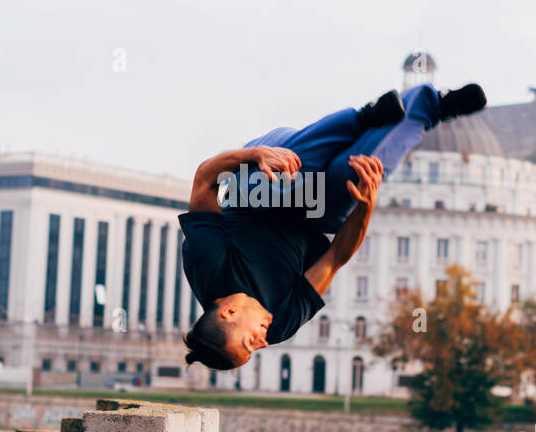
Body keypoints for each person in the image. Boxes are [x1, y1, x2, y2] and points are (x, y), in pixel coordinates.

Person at [178, 80, 487, 370]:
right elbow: (336, 256)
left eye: (248, 343)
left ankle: (362, 117)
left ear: (228, 312)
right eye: (254, 350)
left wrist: (253, 155)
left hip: (257, 181)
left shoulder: (209, 267)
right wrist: (367, 203)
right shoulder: (280, 324)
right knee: (360, 171)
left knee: (288, 180)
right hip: (313, 211)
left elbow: (205, 180)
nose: (261, 343)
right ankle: (428, 107)